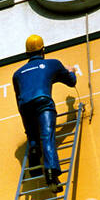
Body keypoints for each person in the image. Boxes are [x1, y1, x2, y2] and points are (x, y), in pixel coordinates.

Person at [12, 35, 77, 190]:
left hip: (25, 106)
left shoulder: (17, 74)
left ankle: (34, 157)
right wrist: (71, 71)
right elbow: (71, 82)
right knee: (47, 136)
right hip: (42, 101)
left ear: (27, 53)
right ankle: (51, 174)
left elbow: (19, 98)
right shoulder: (52, 64)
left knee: (33, 135)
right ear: (43, 50)